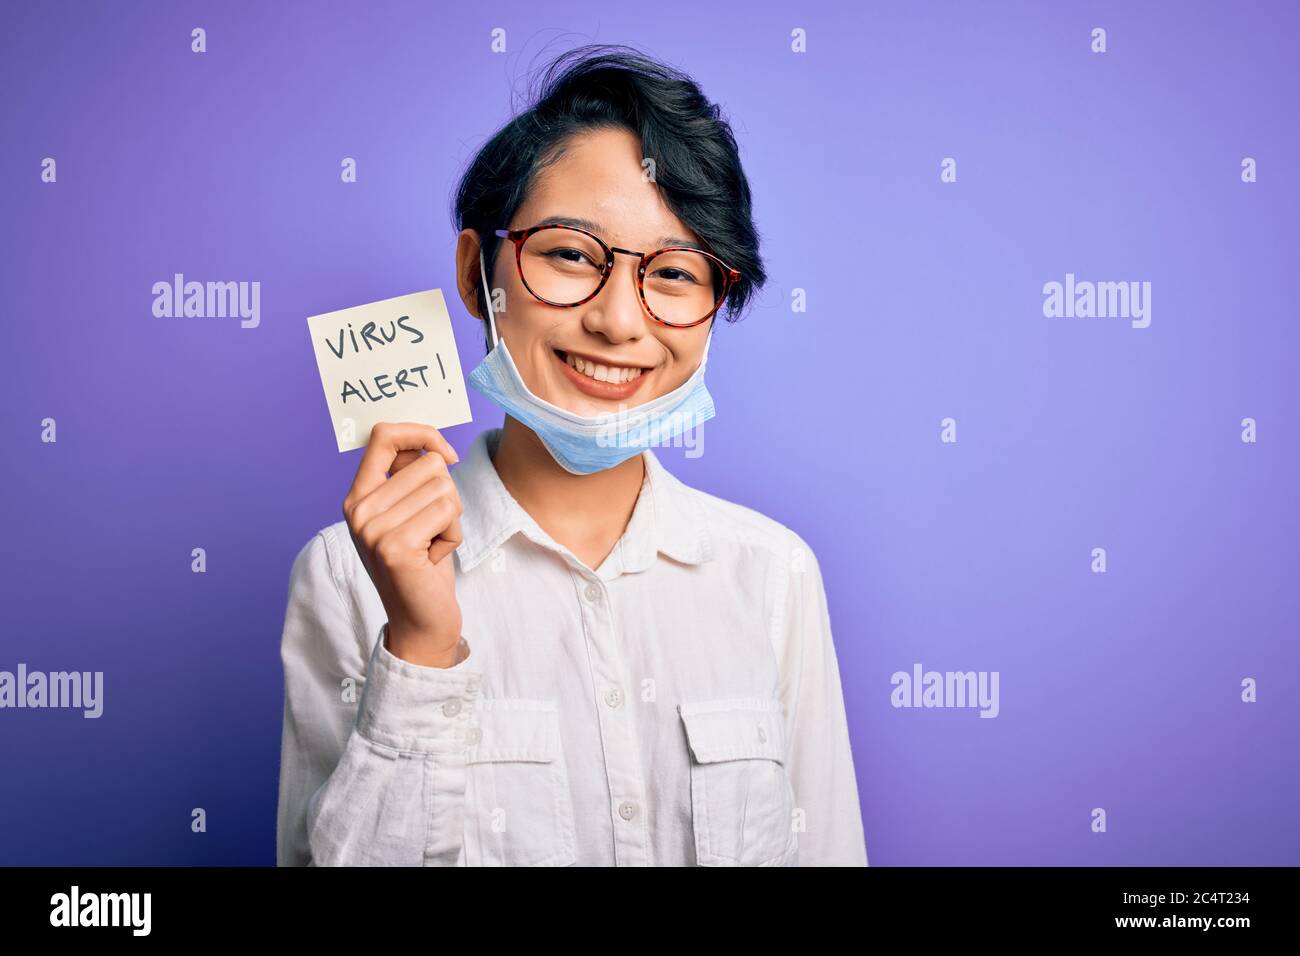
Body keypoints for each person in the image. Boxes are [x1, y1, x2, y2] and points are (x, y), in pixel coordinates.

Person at [276, 43, 867, 866]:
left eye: (673, 272)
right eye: (570, 255)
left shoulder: (774, 577)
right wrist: (419, 646)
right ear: (478, 272)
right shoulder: (344, 577)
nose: (620, 321)